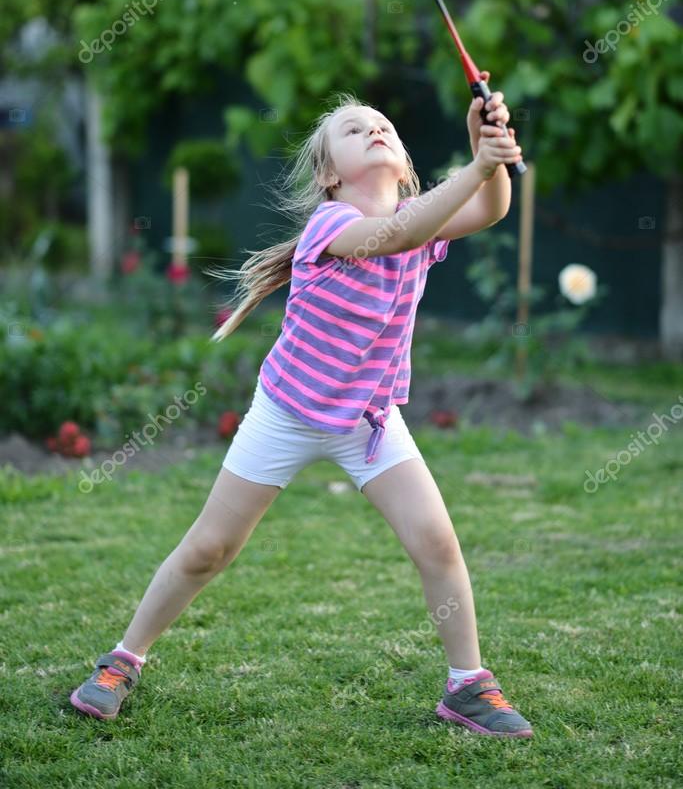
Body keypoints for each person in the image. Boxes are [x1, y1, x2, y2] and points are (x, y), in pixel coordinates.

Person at [70, 81, 532, 737]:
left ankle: (466, 683)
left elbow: (487, 209)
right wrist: (479, 164)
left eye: (383, 126)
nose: (373, 129)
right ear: (328, 175)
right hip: (287, 411)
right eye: (353, 129)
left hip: (367, 419)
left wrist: (481, 148)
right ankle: (123, 659)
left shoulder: (424, 222)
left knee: (436, 541)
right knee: (209, 548)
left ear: (404, 163)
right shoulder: (334, 227)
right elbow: (400, 229)